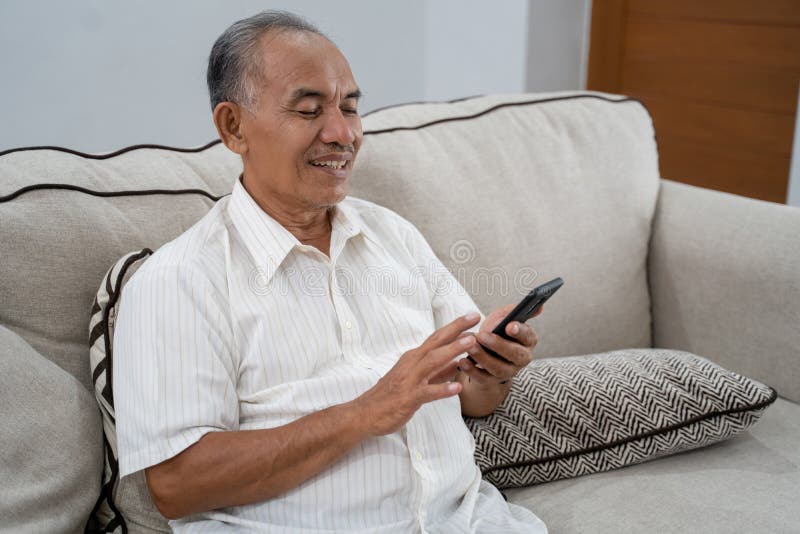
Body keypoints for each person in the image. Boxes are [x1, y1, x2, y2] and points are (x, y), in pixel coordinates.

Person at [113, 10, 547, 533]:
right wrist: (365, 412)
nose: (342, 134)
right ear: (234, 127)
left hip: (471, 521)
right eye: (309, 110)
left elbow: (473, 400)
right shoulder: (177, 281)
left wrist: (490, 369)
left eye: (349, 107)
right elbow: (177, 485)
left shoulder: (394, 237)